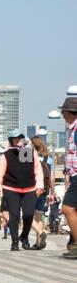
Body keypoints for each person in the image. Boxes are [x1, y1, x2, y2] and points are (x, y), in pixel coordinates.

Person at [0, 129, 44, 251]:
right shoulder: (6, 155)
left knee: (28, 214)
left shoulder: (31, 153)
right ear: (11, 140)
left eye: (19, 137)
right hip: (10, 188)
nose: (17, 139)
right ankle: (14, 241)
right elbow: (0, 173)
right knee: (14, 215)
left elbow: (38, 170)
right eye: (15, 138)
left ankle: (24, 237)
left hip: (29, 189)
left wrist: (40, 186)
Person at [58, 95, 77, 259]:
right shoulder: (73, 129)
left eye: (64, 111)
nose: (62, 114)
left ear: (70, 112)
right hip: (74, 176)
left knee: (68, 208)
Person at [28, 136, 53, 250]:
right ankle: (38, 243)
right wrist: (53, 192)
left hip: (32, 189)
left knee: (26, 215)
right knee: (39, 217)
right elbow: (52, 177)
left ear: (33, 144)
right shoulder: (48, 158)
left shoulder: (29, 156)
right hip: (44, 191)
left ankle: (41, 232)